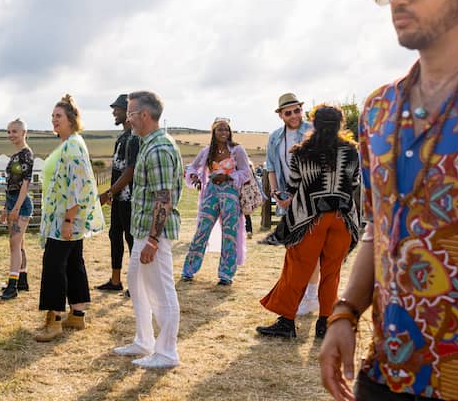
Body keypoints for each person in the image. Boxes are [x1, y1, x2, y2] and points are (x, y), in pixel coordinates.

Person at [319, 0, 458, 399]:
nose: (398, 0)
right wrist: (346, 311)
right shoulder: (379, 109)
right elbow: (378, 226)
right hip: (386, 374)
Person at [256, 106, 360, 339]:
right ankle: (324, 323)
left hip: (309, 219)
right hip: (343, 218)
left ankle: (286, 321)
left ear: (315, 123)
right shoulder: (351, 151)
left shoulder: (301, 152)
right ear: (340, 123)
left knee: (297, 269)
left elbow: (293, 185)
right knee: (331, 273)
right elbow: (354, 183)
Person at [112, 90, 183, 369]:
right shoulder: (147, 144)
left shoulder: (158, 149)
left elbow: (163, 198)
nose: (128, 118)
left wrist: (153, 240)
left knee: (161, 291)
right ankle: (144, 341)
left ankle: (166, 353)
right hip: (143, 230)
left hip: (154, 234)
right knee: (136, 283)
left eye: (130, 113)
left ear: (144, 114)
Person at [34, 94, 105, 342]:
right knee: (74, 262)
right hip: (64, 217)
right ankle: (77, 314)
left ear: (72, 119)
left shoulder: (73, 146)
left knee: (54, 265)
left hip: (64, 219)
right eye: (52, 116)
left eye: (59, 116)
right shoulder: (69, 143)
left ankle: (54, 320)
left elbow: (78, 186)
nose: (54, 120)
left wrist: (67, 221)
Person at [265, 93, 321, 316]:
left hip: (311, 197)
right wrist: (276, 193)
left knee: (310, 249)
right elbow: (271, 168)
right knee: (295, 249)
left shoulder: (313, 131)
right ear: (281, 115)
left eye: (297, 110)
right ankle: (303, 295)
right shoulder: (274, 137)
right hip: (286, 199)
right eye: (288, 112)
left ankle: (311, 296)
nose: (294, 115)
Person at [180, 118, 251, 286]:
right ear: (213, 132)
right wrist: (195, 177)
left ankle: (226, 275)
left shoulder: (237, 150)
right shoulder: (207, 151)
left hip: (230, 194)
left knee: (230, 234)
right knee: (201, 231)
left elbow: (245, 172)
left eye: (226, 129)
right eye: (220, 129)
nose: (224, 132)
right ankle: (188, 271)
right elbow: (192, 167)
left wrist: (227, 176)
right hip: (210, 194)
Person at [97, 94, 140, 294]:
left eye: (117, 108)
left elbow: (130, 171)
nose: (114, 112)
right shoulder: (122, 136)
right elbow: (117, 169)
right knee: (115, 235)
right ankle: (115, 281)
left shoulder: (134, 137)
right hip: (118, 197)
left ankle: (135, 284)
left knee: (131, 239)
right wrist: (112, 194)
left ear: (128, 112)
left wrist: (108, 193)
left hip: (130, 198)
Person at [0, 119, 34, 301]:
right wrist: (6, 207)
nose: (11, 135)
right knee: (19, 244)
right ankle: (22, 279)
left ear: (23, 133)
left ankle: (12, 286)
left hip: (21, 203)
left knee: (14, 244)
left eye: (14, 131)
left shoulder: (26, 154)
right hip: (12, 201)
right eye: (8, 132)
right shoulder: (15, 156)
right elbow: (10, 184)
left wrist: (16, 208)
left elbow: (25, 183)